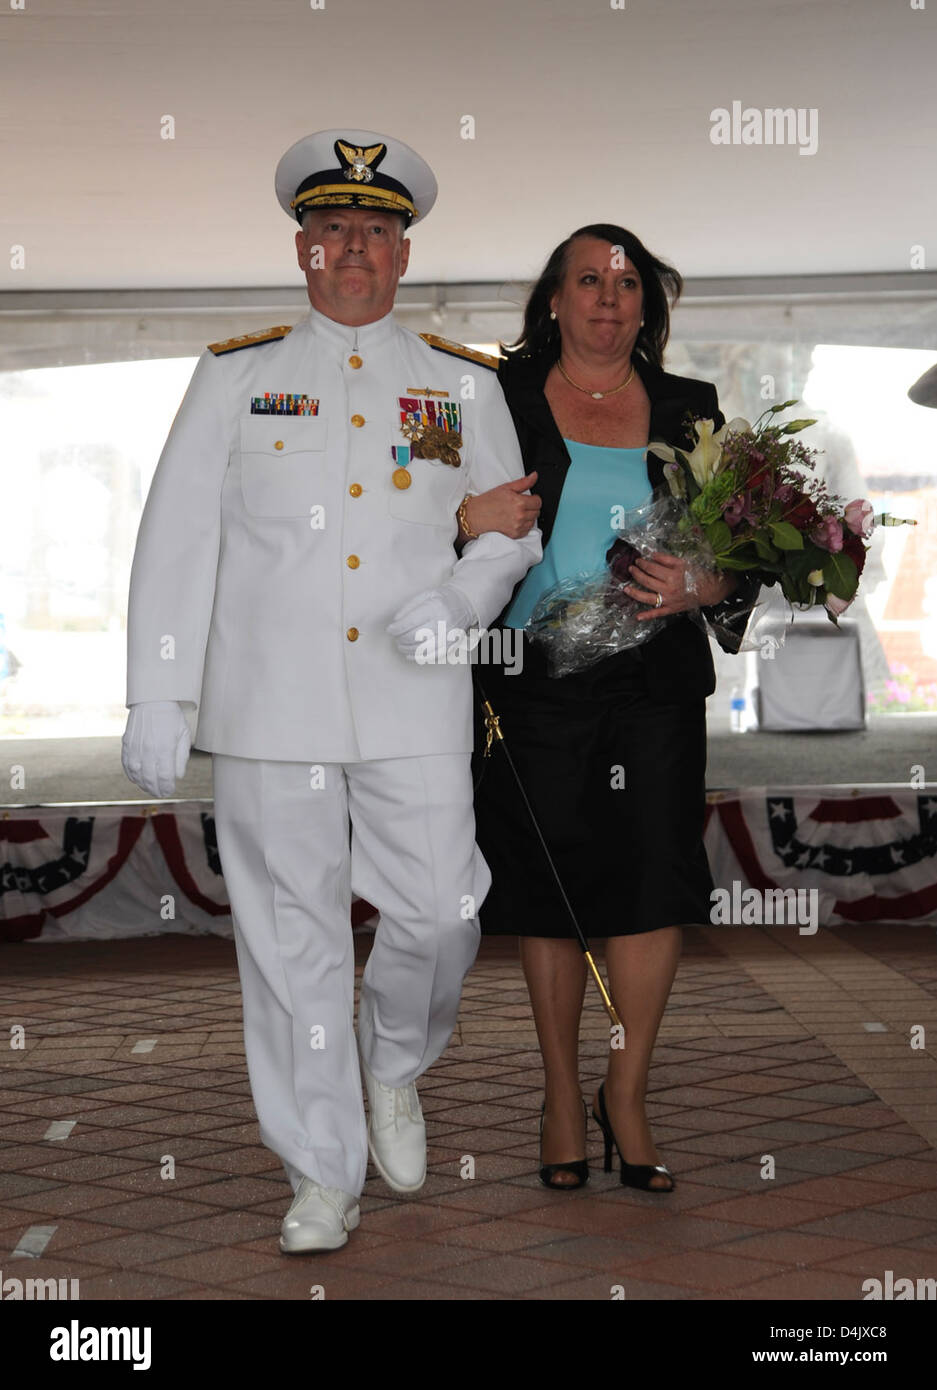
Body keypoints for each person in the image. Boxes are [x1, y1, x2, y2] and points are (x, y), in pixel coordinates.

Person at [121, 128, 541, 1252]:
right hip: (269, 707)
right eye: (333, 229)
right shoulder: (235, 376)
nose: (354, 248)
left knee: (444, 910)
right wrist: (158, 692)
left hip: (415, 691)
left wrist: (458, 601)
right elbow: (176, 540)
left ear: (405, 255)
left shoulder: (461, 381)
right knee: (290, 939)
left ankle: (392, 1060)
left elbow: (508, 527)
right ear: (302, 248)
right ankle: (320, 1171)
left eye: (377, 231)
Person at [457, 224, 756, 1193]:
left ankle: (625, 1091)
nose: (607, 297)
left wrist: (703, 587)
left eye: (626, 283)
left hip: (655, 684)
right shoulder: (495, 399)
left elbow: (740, 553)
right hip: (532, 681)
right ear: (553, 298)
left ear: (646, 306)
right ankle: (557, 1092)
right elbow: (428, 511)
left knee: (653, 881)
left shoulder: (689, 409)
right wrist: (458, 521)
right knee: (550, 887)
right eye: (587, 279)